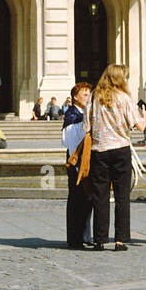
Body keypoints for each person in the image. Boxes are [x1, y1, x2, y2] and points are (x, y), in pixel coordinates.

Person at [85, 64, 146, 251]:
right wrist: (145, 116)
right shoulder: (124, 98)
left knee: (100, 196)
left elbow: (86, 126)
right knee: (122, 196)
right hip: (120, 149)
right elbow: (140, 127)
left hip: (99, 150)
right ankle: (120, 239)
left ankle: (100, 239)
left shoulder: (95, 97)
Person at [62, 82, 94, 248]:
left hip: (85, 158)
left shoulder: (83, 113)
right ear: (75, 96)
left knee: (87, 198)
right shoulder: (72, 114)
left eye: (89, 94)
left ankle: (85, 235)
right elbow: (68, 140)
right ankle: (75, 237)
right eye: (84, 94)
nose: (88, 97)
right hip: (77, 159)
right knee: (77, 198)